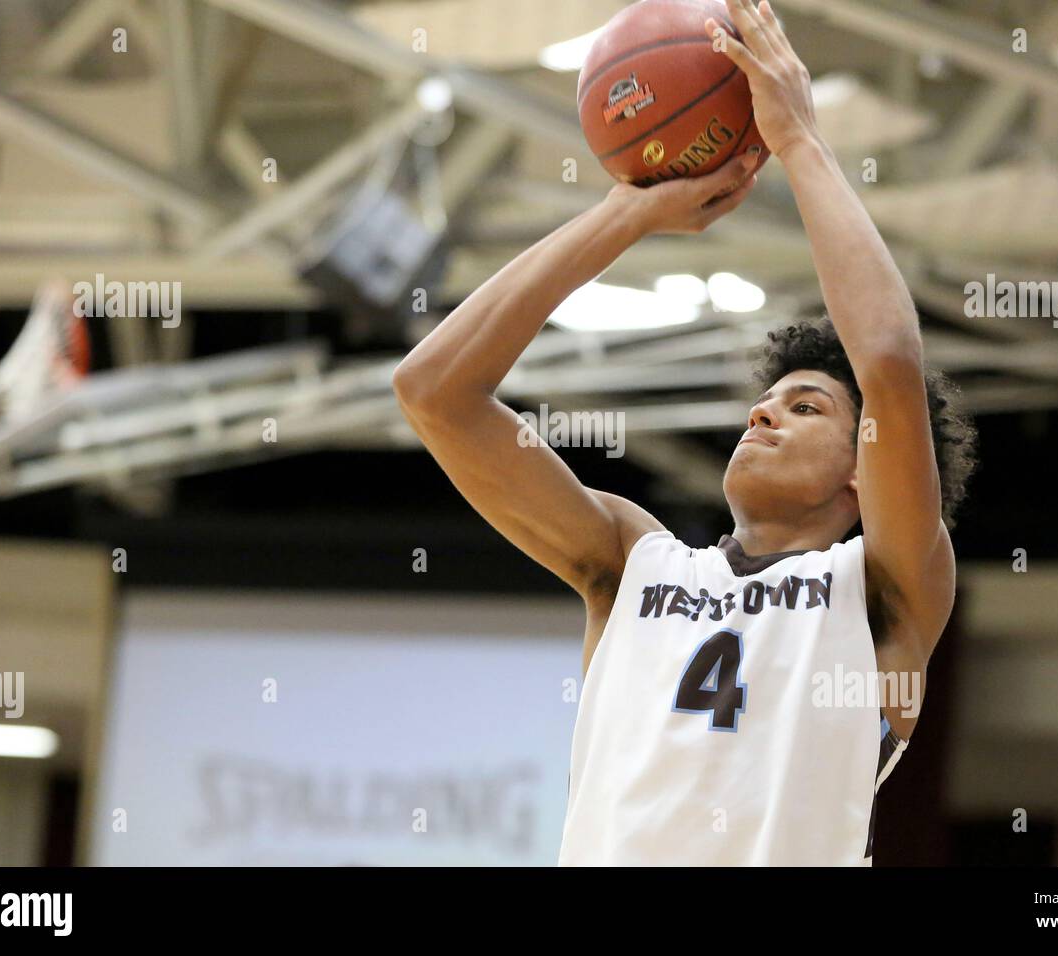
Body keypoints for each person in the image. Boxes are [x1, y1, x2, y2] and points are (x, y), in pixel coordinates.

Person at [393, 0, 977, 865]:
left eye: (807, 406)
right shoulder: (631, 562)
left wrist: (800, 143)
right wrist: (625, 215)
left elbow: (887, 359)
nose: (764, 411)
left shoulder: (883, 589)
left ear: (863, 474)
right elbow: (434, 391)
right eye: (767, 400)